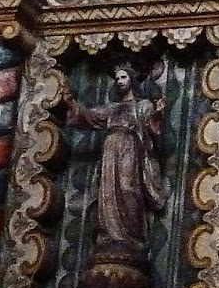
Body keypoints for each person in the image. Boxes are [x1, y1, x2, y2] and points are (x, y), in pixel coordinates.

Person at [64, 63, 168, 252]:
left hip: (130, 146)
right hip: (110, 147)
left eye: (123, 77)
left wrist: (158, 112)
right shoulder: (112, 108)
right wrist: (71, 102)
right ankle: (108, 235)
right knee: (108, 190)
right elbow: (89, 116)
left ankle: (131, 236)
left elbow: (153, 128)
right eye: (118, 78)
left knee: (128, 187)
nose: (120, 81)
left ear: (132, 81)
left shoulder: (142, 105)